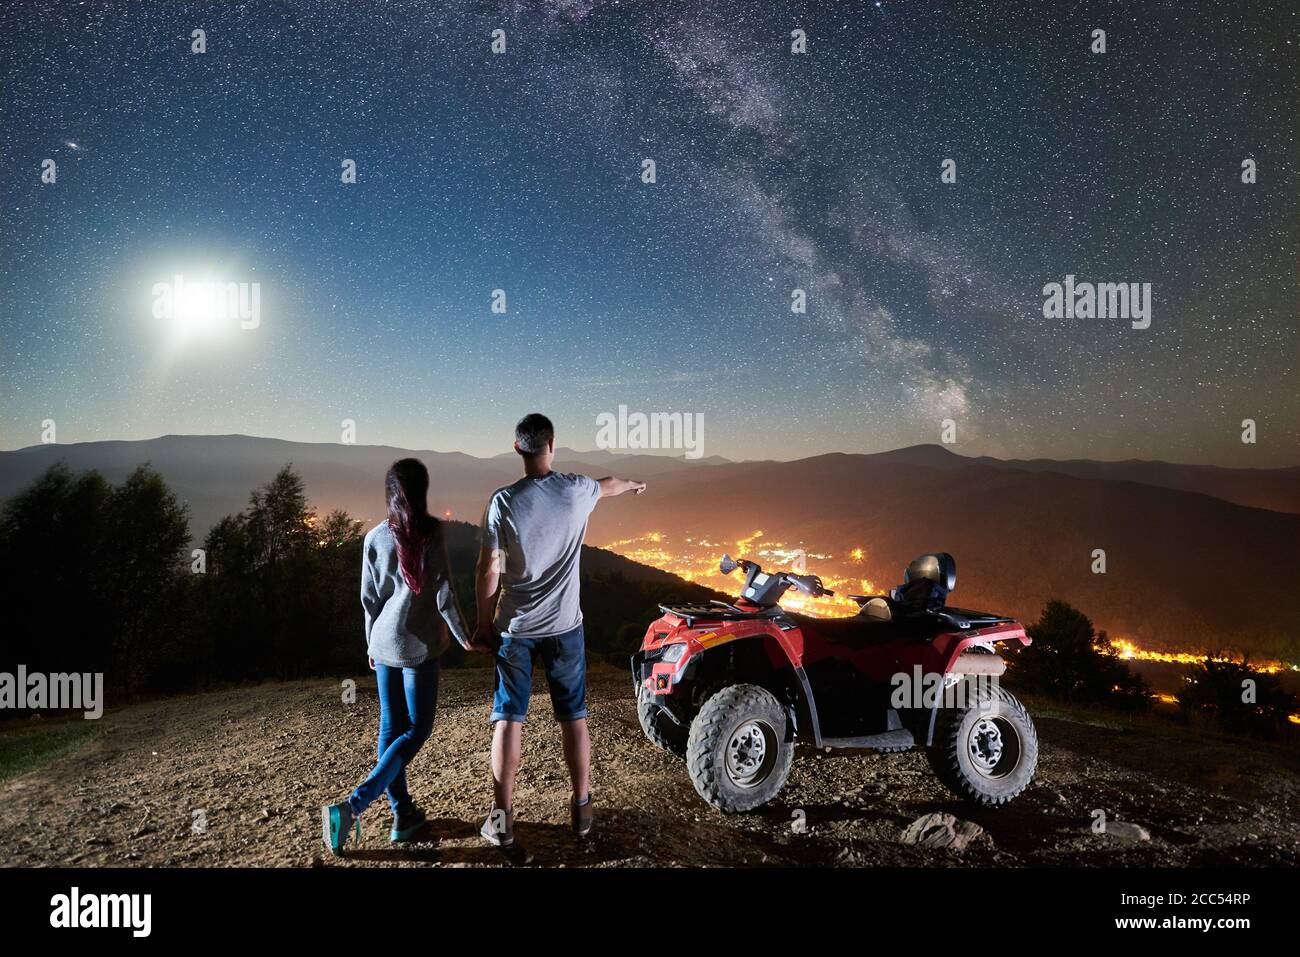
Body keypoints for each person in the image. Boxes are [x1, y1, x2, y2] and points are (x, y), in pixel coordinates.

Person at [475, 413, 645, 847]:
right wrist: (633, 485)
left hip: (514, 628)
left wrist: (482, 622)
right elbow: (609, 484)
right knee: (574, 717)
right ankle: (582, 809)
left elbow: (489, 569)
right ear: (552, 445)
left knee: (508, 718)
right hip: (565, 627)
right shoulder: (575, 490)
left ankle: (503, 818)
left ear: (518, 449)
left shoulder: (503, 501)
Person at [322, 458, 474, 855]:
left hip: (384, 645)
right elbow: (444, 594)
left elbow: (368, 600)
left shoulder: (373, 537)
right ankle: (353, 805)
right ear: (421, 492)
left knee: (391, 730)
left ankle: (403, 815)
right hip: (417, 648)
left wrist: (370, 643)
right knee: (416, 730)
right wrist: (466, 639)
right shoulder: (431, 533)